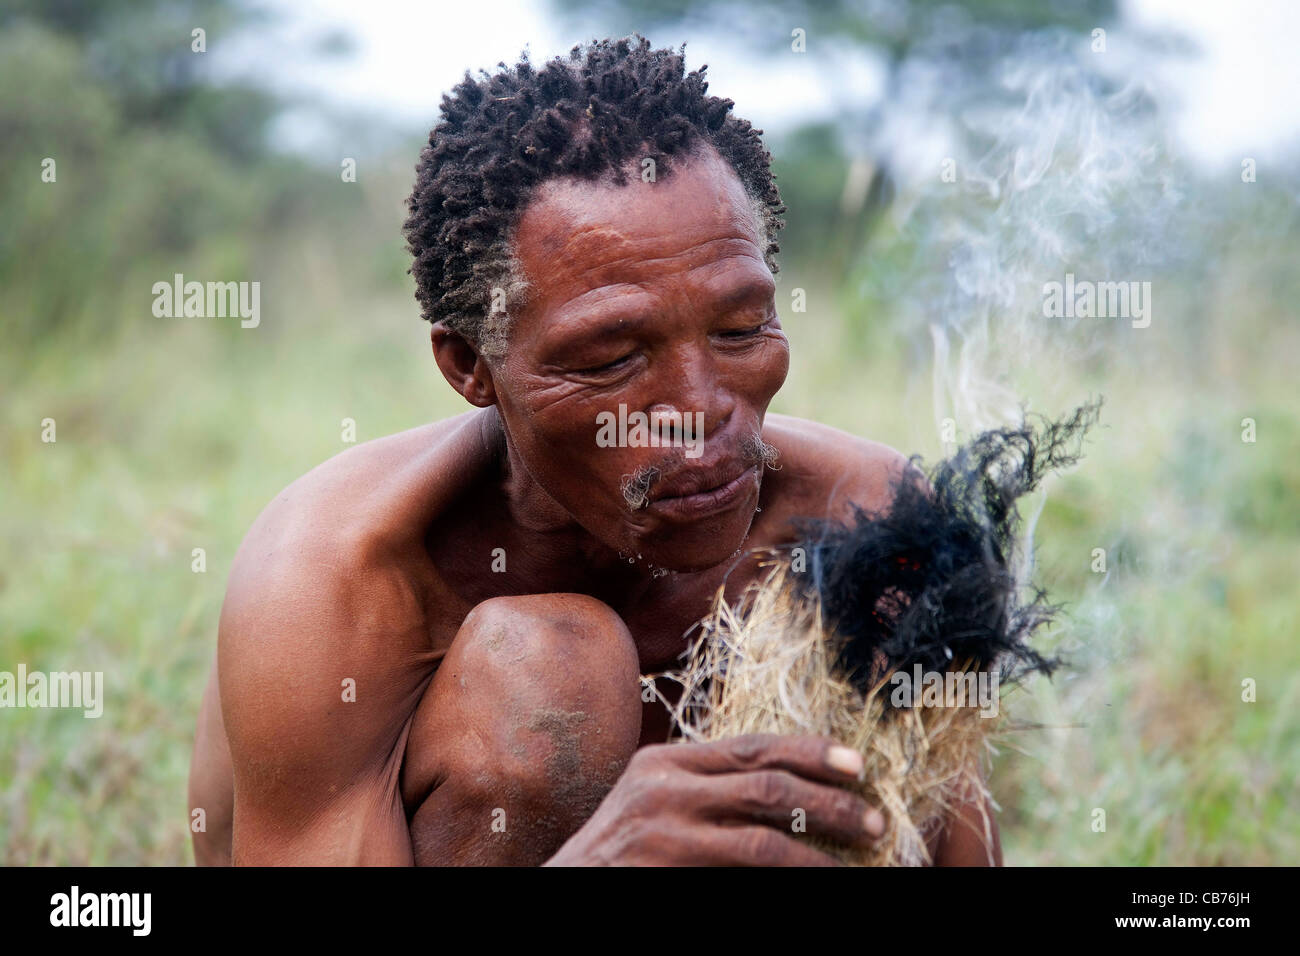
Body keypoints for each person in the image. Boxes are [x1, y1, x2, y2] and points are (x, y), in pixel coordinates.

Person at [188, 36, 1001, 866]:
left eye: (741, 329)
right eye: (612, 359)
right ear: (471, 365)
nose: (698, 413)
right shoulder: (337, 576)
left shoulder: (858, 515)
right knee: (551, 674)